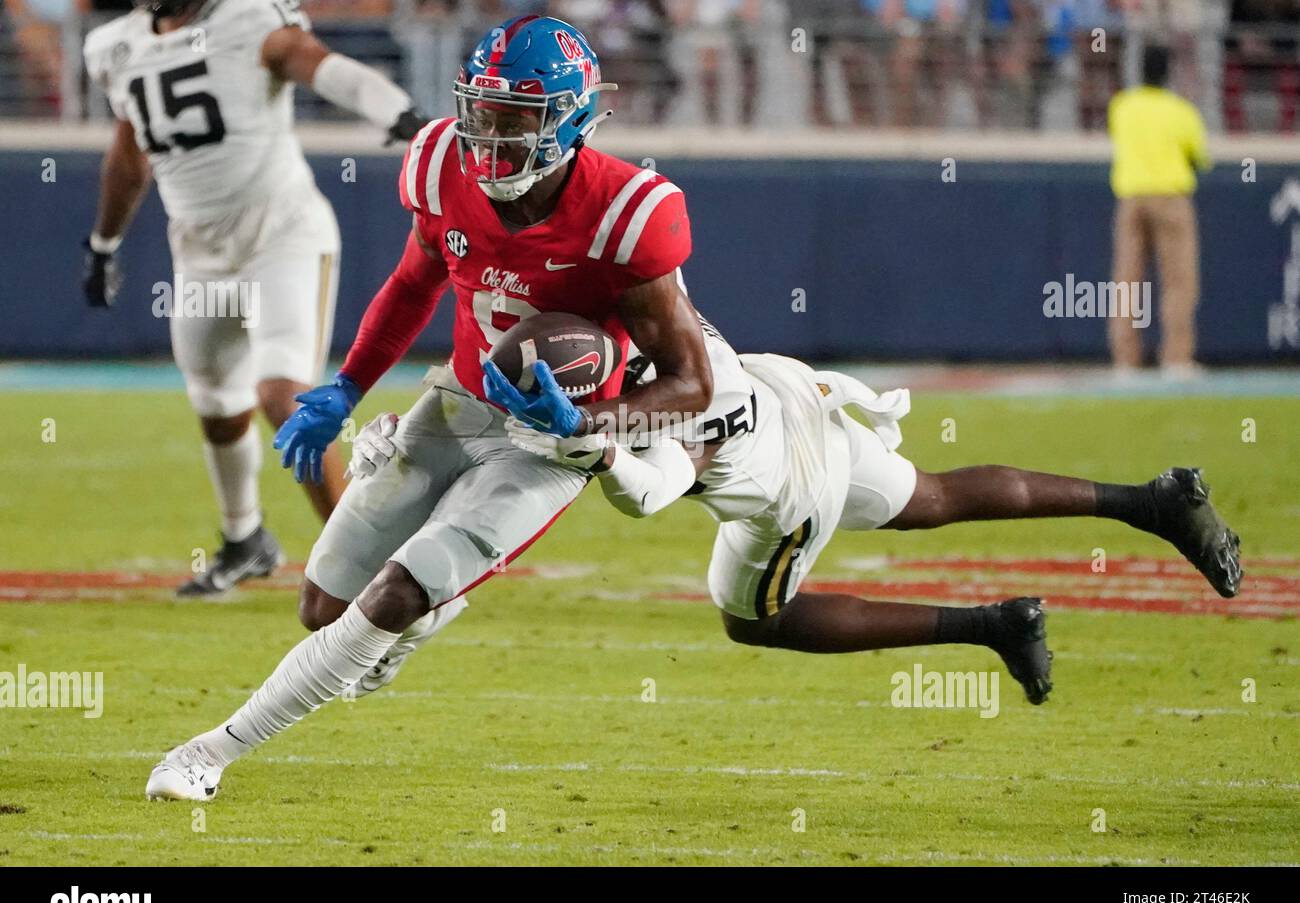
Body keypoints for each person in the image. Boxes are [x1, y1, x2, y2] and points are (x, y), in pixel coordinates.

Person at [142, 14, 733, 801]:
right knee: (326, 609)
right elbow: (414, 282)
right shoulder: (437, 165)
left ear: (575, 121)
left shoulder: (627, 211)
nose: (490, 137)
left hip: (546, 441)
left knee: (397, 591)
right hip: (455, 402)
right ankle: (409, 619)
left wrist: (588, 425)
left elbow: (693, 384)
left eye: (517, 121)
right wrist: (346, 388)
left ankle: (207, 754)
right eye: (481, 112)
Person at [347, 334, 1243, 707]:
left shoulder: (667, 424)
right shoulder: (644, 337)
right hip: (787, 390)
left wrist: (594, 449)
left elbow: (650, 492)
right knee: (930, 497)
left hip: (784, 479)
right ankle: (1150, 501)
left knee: (752, 617)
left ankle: (995, 625)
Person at [82, 0, 426, 595]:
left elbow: (318, 64)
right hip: (199, 256)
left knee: (282, 395)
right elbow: (130, 153)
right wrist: (104, 241)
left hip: (283, 237)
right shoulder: (115, 45)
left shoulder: (246, 19)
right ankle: (245, 539)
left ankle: (359, 561)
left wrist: (395, 110)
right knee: (216, 406)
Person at [1106, 44, 1211, 377]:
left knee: (1127, 280)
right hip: (1169, 197)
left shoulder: (1122, 107)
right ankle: (1176, 359)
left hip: (1132, 197)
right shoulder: (1181, 111)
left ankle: (1125, 360)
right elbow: (1199, 158)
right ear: (1169, 72)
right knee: (1178, 281)